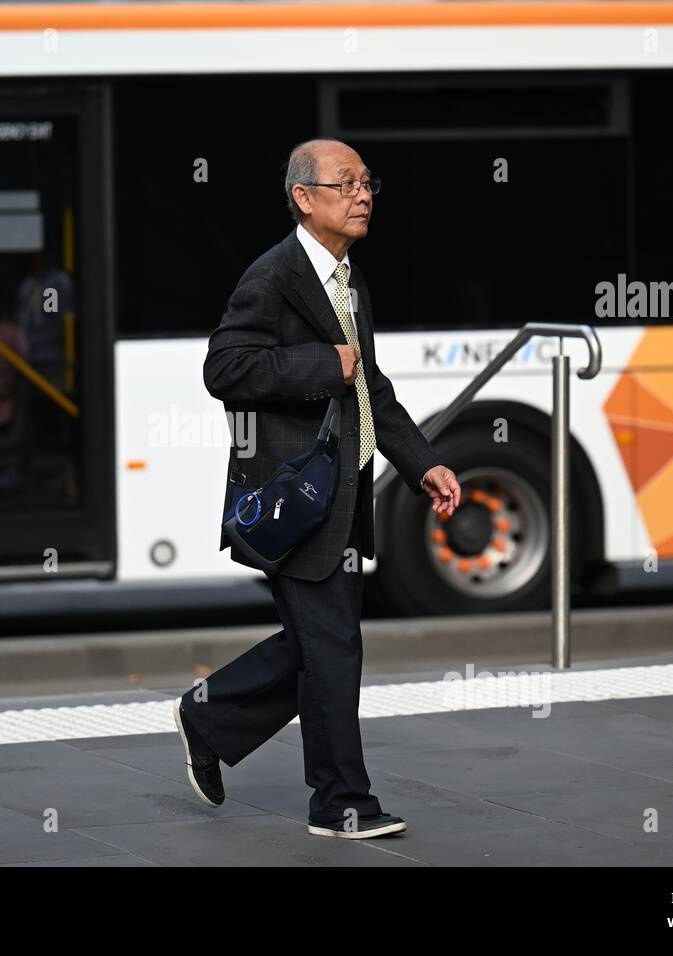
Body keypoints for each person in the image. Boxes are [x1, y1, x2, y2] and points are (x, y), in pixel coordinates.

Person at [173, 139, 462, 838]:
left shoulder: (348, 278)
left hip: (343, 492)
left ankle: (208, 718)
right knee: (333, 647)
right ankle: (340, 802)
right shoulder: (273, 276)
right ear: (304, 198)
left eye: (367, 184)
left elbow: (371, 388)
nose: (363, 195)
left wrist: (422, 463)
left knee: (318, 644)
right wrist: (317, 364)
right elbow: (225, 369)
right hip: (294, 500)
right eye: (346, 183)